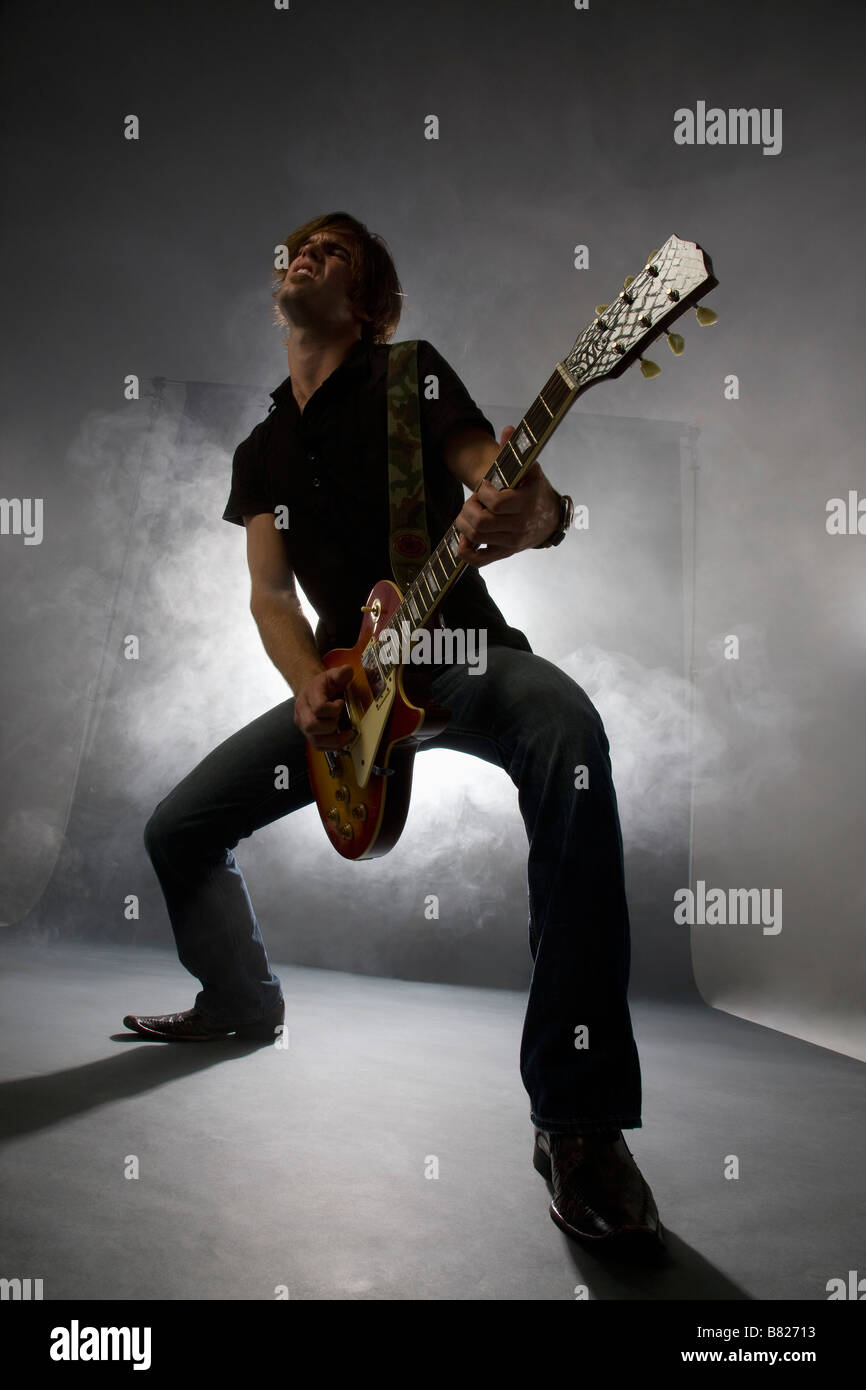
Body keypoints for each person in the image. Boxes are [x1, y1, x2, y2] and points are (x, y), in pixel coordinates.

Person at [124, 211, 663, 1252]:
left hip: (459, 653)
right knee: (177, 825)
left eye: (334, 251)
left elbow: (503, 478)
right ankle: (238, 994)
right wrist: (303, 684)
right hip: (346, 684)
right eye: (297, 245)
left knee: (567, 736)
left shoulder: (409, 373)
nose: (306, 254)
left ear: (363, 302)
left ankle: (578, 1121)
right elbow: (269, 595)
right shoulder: (261, 449)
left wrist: (537, 512)